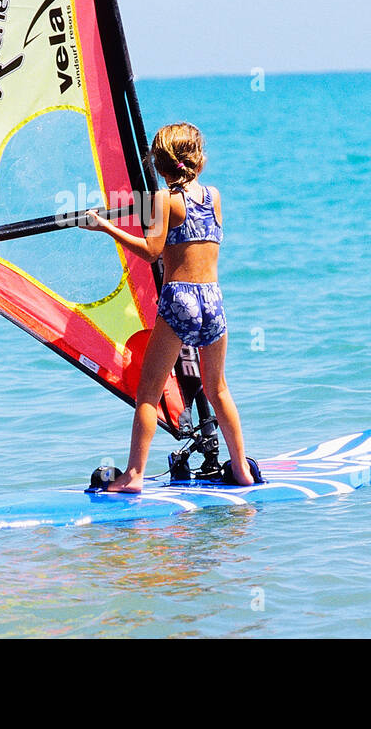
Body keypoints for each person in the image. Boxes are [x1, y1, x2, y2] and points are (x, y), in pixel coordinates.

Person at [83, 122, 256, 492]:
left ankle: (133, 475)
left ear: (159, 167)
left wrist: (105, 226)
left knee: (149, 391)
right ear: (198, 161)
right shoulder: (214, 195)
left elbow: (151, 251)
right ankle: (241, 468)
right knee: (218, 388)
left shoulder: (164, 200)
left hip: (180, 298)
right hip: (213, 299)